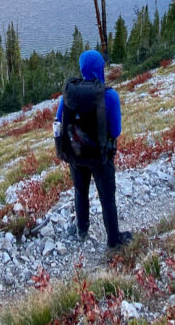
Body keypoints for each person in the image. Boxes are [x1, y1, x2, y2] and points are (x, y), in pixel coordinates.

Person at [55, 49, 133, 251]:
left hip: (77, 154)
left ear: (82, 69)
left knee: (80, 191)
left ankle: (81, 229)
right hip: (101, 157)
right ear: (100, 68)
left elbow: (58, 121)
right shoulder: (109, 96)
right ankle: (113, 240)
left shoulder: (68, 95)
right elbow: (116, 131)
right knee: (107, 197)